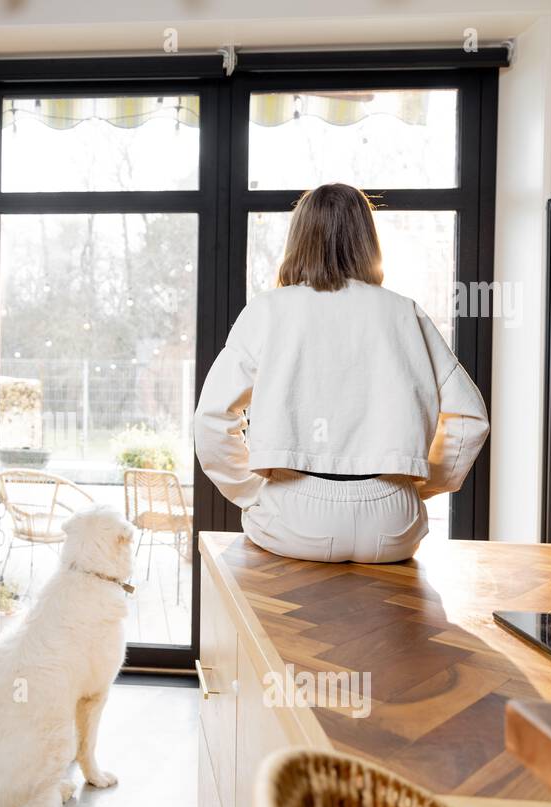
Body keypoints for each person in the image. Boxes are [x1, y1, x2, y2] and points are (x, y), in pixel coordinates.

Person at [193, 183, 489, 564]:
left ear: (298, 238)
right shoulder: (406, 312)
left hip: (295, 515)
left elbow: (212, 418)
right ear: (368, 239)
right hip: (393, 522)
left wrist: (251, 491)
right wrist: (420, 485)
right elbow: (470, 419)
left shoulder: (268, 310)